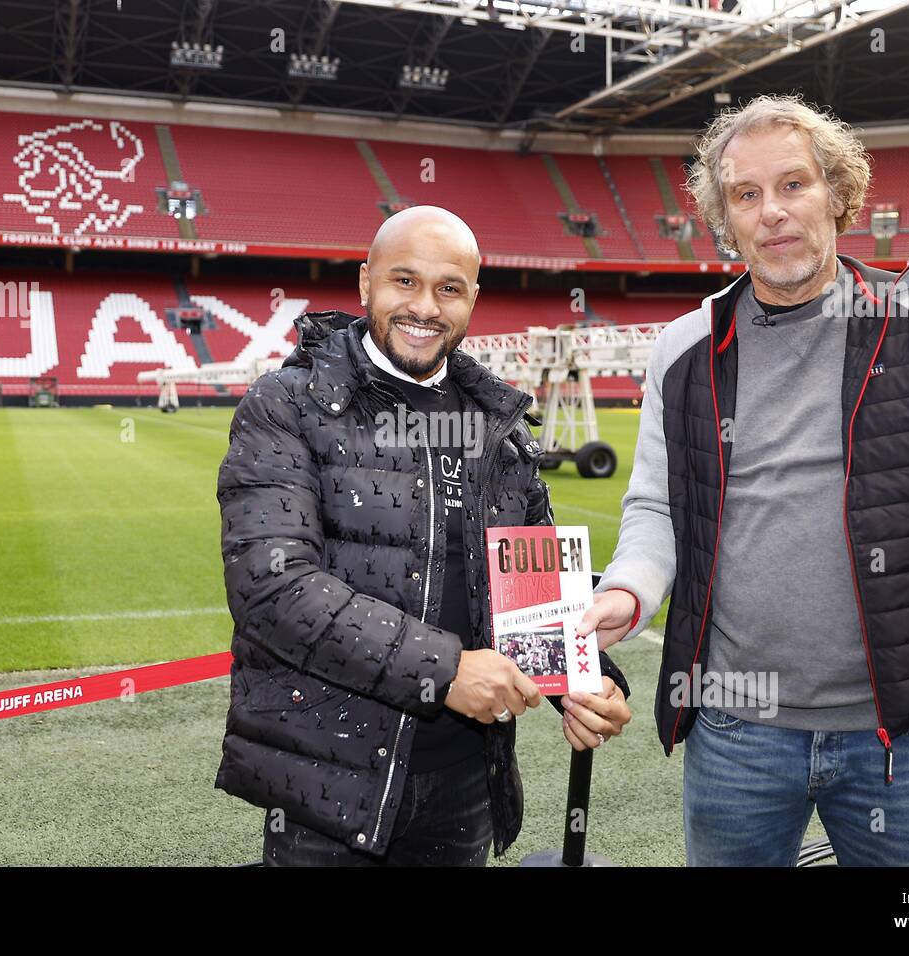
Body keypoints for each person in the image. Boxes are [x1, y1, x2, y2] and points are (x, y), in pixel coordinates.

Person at [578, 95, 909, 866]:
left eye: (794, 185)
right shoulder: (684, 348)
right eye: (746, 194)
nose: (773, 213)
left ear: (838, 192)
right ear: (725, 220)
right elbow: (658, 505)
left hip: (902, 733)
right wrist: (629, 588)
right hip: (735, 729)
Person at [216, 205, 632, 866]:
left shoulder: (500, 425)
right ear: (364, 284)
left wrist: (585, 682)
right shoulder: (285, 405)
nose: (424, 307)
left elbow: (534, 586)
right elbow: (273, 586)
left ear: (472, 298)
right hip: (328, 780)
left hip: (464, 782)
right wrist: (448, 671)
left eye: (448, 288)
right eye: (403, 281)